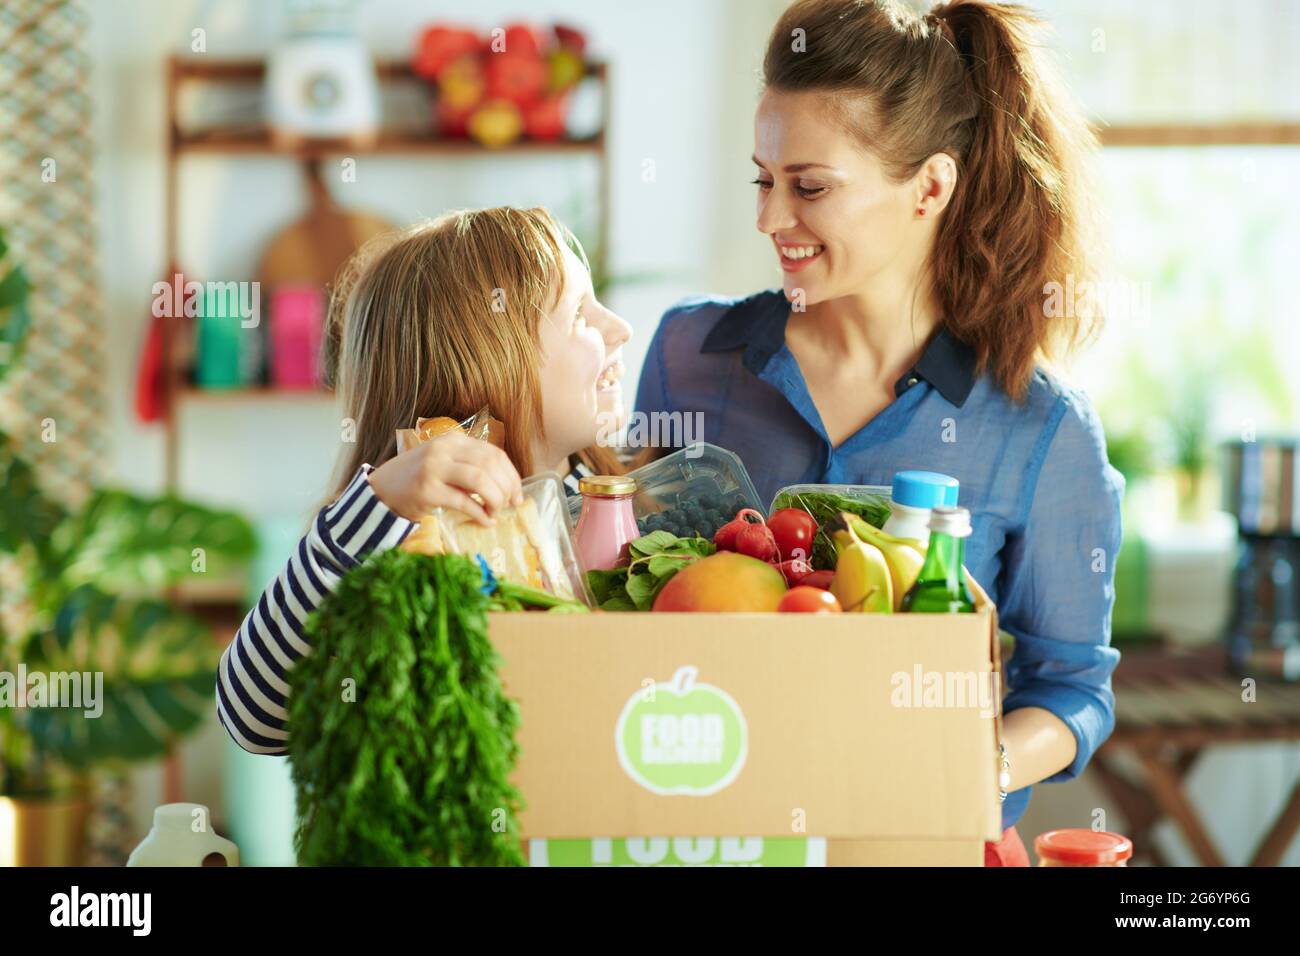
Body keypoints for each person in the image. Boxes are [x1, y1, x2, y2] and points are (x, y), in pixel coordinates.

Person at [634, 0, 1123, 866]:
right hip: (712, 836)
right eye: (763, 179)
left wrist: (973, 765)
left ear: (930, 187)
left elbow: (1073, 688)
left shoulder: (1040, 430)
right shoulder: (689, 358)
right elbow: (625, 607)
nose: (770, 218)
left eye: (809, 187)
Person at [217, 207, 634, 755]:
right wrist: (379, 507)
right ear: (473, 374)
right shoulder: (398, 536)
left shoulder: (624, 500)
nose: (621, 329)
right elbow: (257, 718)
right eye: (581, 315)